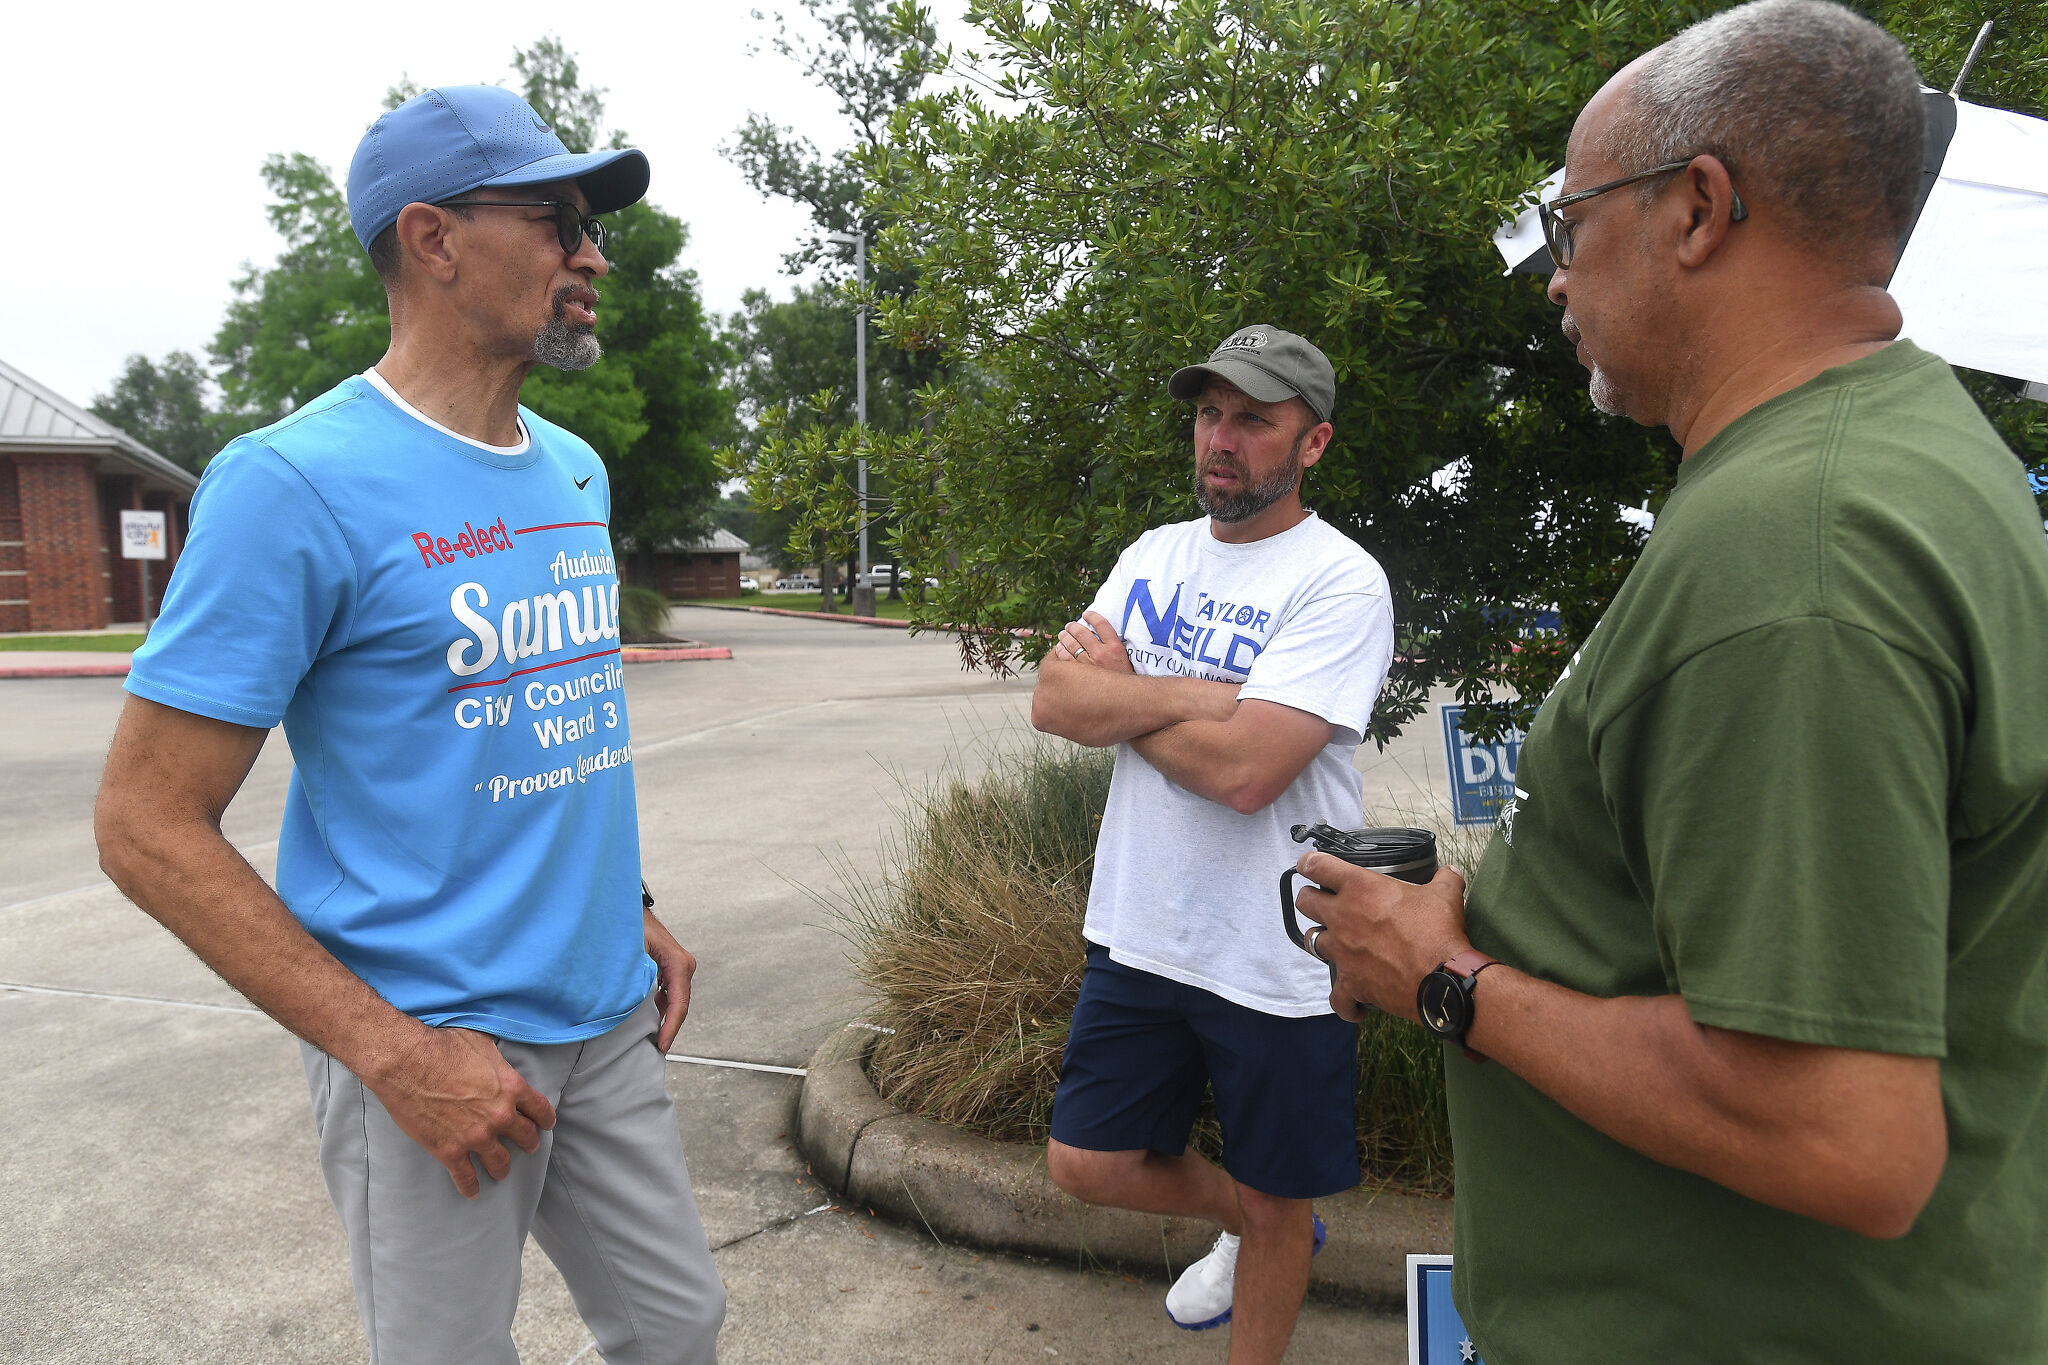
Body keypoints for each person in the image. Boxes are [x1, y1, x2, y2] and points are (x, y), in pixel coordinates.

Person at [1295, 3, 2048, 1360]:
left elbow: (1845, 1136)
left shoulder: (1797, 557)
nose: (1557, 280)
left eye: (1573, 225)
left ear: (1698, 210)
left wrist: (1448, 977)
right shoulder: (1910, 446)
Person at [94, 85, 725, 1365]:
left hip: (603, 1018)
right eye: (558, 219)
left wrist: (631, 902)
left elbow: (544, 729)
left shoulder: (570, 467)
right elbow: (144, 825)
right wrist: (387, 1052)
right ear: (434, 239)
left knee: (678, 1330)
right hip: (437, 1044)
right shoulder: (290, 484)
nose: (591, 254)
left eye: (588, 225)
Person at [1030, 325, 1394, 1364]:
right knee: (1084, 1162)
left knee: (1285, 1200)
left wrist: (1126, 693)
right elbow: (1055, 699)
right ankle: (1246, 1221)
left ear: (1310, 444)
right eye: (1207, 414)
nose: (1219, 440)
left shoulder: (1338, 581)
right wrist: (1202, 697)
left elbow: (1248, 775)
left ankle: (1266, 1235)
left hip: (1279, 950)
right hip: (1140, 928)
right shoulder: (1152, 553)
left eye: (1251, 419)